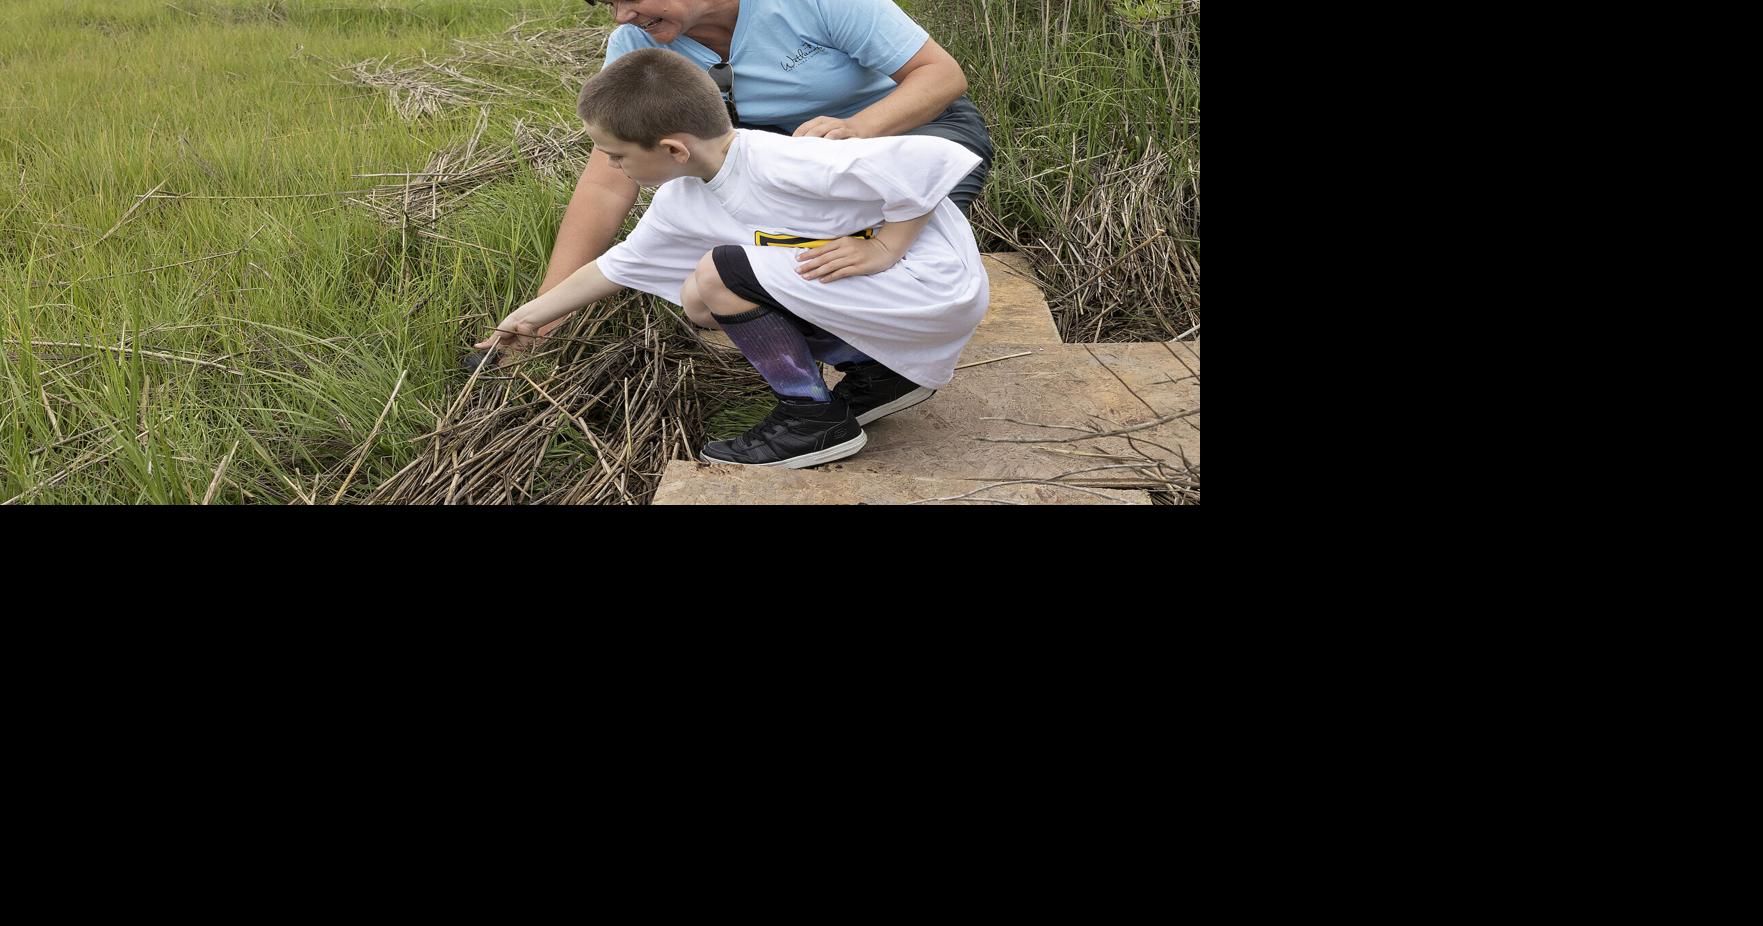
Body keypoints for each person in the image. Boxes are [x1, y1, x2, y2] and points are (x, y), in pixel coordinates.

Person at [475, 48, 989, 469]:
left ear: (675, 149)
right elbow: (617, 266)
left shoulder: (783, 160)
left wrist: (885, 246)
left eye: (617, 154)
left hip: (932, 284)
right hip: (892, 298)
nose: (610, 165)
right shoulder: (682, 199)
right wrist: (526, 320)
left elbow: (934, 160)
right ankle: (882, 373)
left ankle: (811, 420)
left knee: (719, 274)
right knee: (697, 298)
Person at [530, 0, 991, 341]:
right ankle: (819, 351)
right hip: (792, 162)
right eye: (608, 3)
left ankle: (883, 367)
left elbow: (941, 74)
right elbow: (608, 182)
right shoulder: (635, 44)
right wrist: (545, 313)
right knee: (715, 288)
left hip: (911, 136)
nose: (621, 16)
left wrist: (857, 128)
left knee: (883, 252)